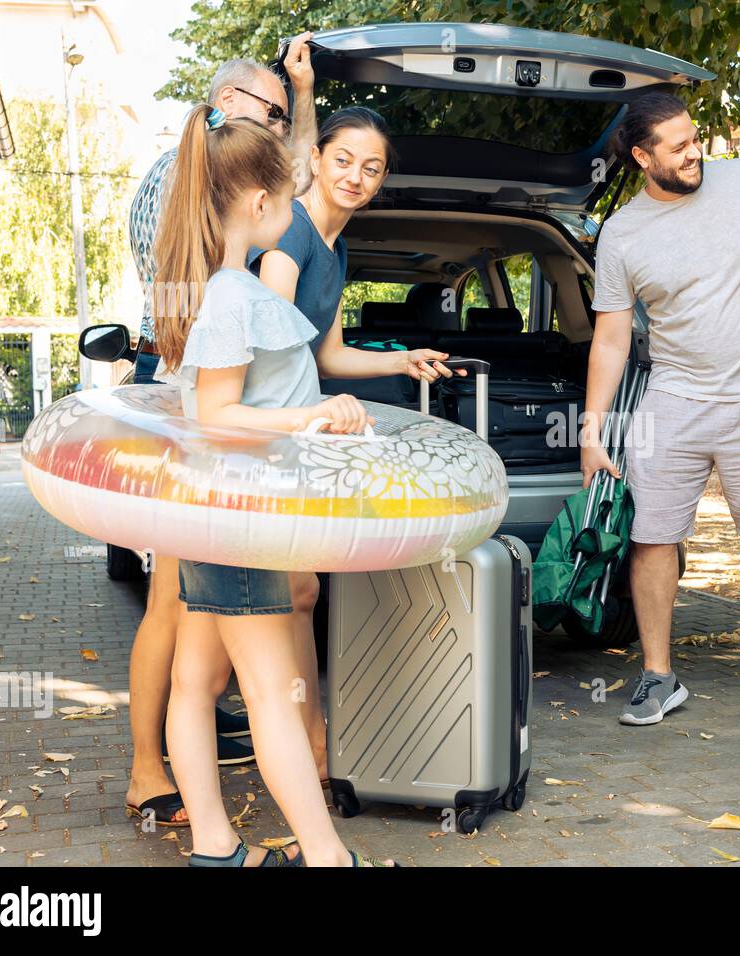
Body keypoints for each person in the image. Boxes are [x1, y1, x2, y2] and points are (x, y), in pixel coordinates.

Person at [155, 104, 393, 866]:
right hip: (236, 515)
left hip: (217, 514)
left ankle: (217, 848)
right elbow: (221, 414)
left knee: (194, 685)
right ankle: (329, 858)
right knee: (271, 695)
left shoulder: (226, 291)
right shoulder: (229, 296)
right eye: (289, 197)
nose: (293, 213)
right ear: (260, 203)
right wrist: (313, 414)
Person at [123, 37, 320, 828]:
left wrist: (301, 94)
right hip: (203, 410)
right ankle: (149, 770)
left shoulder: (218, 186)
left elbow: (286, 184)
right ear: (230, 106)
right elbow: (209, 370)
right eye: (273, 114)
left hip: (209, 406)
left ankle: (209, 828)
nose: (281, 131)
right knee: (177, 608)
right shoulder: (199, 223)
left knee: (192, 624)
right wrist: (301, 411)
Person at [250, 106, 464, 784]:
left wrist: (401, 360)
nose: (356, 176)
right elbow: (265, 352)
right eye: (343, 160)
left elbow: (330, 353)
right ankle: (297, 741)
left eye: (371, 168)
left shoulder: (337, 247)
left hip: (294, 431)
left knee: (300, 592)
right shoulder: (289, 233)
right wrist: (316, 407)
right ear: (316, 159)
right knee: (266, 598)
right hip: (259, 434)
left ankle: (308, 737)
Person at [582, 92, 740, 728]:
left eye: (694, 138)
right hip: (672, 400)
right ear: (640, 156)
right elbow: (612, 337)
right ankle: (658, 676)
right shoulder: (622, 234)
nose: (693, 153)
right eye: (677, 147)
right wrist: (592, 430)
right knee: (652, 538)